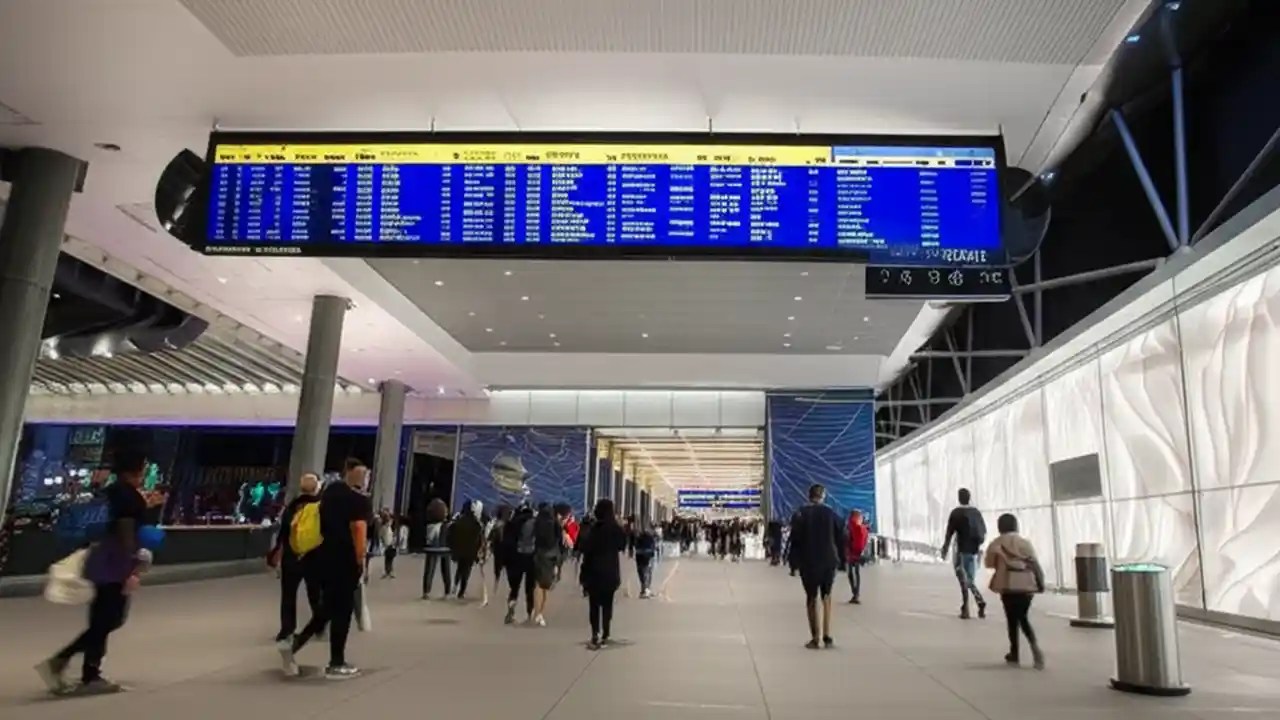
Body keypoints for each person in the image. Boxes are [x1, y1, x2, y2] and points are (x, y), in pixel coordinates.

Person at [37, 448, 150, 693]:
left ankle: (89, 672)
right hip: (115, 562)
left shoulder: (110, 491)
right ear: (137, 469)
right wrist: (133, 564)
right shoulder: (129, 497)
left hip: (99, 559)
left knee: (103, 618)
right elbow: (126, 530)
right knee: (110, 618)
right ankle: (65, 664)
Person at [279, 458, 371, 680]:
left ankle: (293, 644)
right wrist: (361, 562)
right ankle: (336, 662)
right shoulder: (358, 500)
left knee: (327, 608)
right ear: (353, 474)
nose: (365, 479)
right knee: (343, 612)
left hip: (322, 559)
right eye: (364, 474)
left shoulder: (328, 495)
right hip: (346, 561)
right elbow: (359, 531)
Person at [788, 483, 846, 649]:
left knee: (811, 598)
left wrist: (793, 564)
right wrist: (842, 560)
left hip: (809, 562)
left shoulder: (800, 514)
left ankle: (815, 638)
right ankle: (827, 636)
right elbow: (841, 538)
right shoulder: (832, 514)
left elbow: (795, 541)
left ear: (809, 496)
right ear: (823, 496)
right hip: (829, 561)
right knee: (827, 596)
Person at [984, 513, 1045, 669]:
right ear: (1016, 526)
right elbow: (1035, 564)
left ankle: (1015, 651)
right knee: (1022, 616)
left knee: (1012, 619)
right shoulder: (1025, 543)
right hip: (1027, 585)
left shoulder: (996, 544)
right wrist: (1041, 582)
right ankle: (1032, 647)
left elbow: (989, 564)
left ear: (999, 527)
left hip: (1008, 585)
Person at [273, 473, 322, 642]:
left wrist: (278, 553)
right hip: (314, 557)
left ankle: (287, 629)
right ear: (317, 488)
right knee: (315, 593)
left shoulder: (292, 506)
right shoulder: (321, 506)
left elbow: (283, 532)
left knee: (288, 595)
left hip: (292, 556)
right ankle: (319, 626)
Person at [578, 498, 628, 649]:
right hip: (610, 571)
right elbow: (622, 545)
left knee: (594, 604)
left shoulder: (593, 529)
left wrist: (583, 575)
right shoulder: (615, 529)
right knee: (607, 603)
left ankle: (595, 632)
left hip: (593, 571)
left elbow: (585, 549)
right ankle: (606, 631)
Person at [941, 488, 988, 620]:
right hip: (974, 551)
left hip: (961, 550)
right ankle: (979, 602)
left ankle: (966, 607)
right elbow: (983, 531)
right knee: (970, 579)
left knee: (963, 579)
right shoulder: (976, 513)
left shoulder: (956, 513)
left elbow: (949, 533)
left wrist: (945, 548)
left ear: (959, 498)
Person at [503, 504, 537, 624]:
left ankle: (511, 611)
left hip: (516, 557)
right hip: (531, 557)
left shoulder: (512, 523)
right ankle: (529, 613)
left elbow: (506, 541)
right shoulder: (534, 523)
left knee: (514, 588)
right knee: (530, 588)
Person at [530, 503, 564, 627]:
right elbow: (560, 542)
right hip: (551, 557)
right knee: (545, 587)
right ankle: (541, 613)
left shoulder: (537, 523)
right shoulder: (555, 524)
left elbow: (533, 539)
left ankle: (536, 612)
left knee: (538, 585)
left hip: (538, 556)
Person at [449, 500, 485, 599]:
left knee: (459, 569)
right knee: (466, 571)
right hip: (470, 551)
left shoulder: (458, 520)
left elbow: (451, 533)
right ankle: (462, 591)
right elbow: (479, 538)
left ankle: (455, 585)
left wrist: (453, 547)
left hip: (460, 550)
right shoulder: (476, 523)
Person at [421, 498, 453, 599]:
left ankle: (426, 591)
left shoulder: (429, 527)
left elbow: (428, 539)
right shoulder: (446, 526)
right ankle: (447, 592)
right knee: (446, 570)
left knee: (429, 569)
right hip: (445, 549)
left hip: (431, 549)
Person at [846, 509, 869, 604]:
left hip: (852, 553)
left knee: (851, 573)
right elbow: (864, 541)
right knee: (856, 573)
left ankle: (855, 593)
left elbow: (847, 539)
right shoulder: (862, 528)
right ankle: (856, 593)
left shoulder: (852, 526)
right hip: (858, 553)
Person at [488, 505, 512, 595]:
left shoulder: (496, 525)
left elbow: (491, 537)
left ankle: (496, 587)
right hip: (507, 550)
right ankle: (507, 589)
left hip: (498, 549)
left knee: (497, 570)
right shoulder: (510, 524)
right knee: (508, 570)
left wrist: (490, 547)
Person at [631, 521, 658, 598]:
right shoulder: (651, 536)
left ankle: (644, 589)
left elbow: (634, 544)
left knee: (641, 572)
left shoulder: (638, 536)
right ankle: (646, 589)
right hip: (647, 555)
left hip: (640, 554)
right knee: (647, 571)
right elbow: (654, 546)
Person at [379, 509, 398, 579]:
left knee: (390, 558)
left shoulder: (389, 527)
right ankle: (388, 571)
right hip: (387, 544)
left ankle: (389, 571)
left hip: (390, 544)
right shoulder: (384, 527)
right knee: (388, 559)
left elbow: (392, 535)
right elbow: (381, 536)